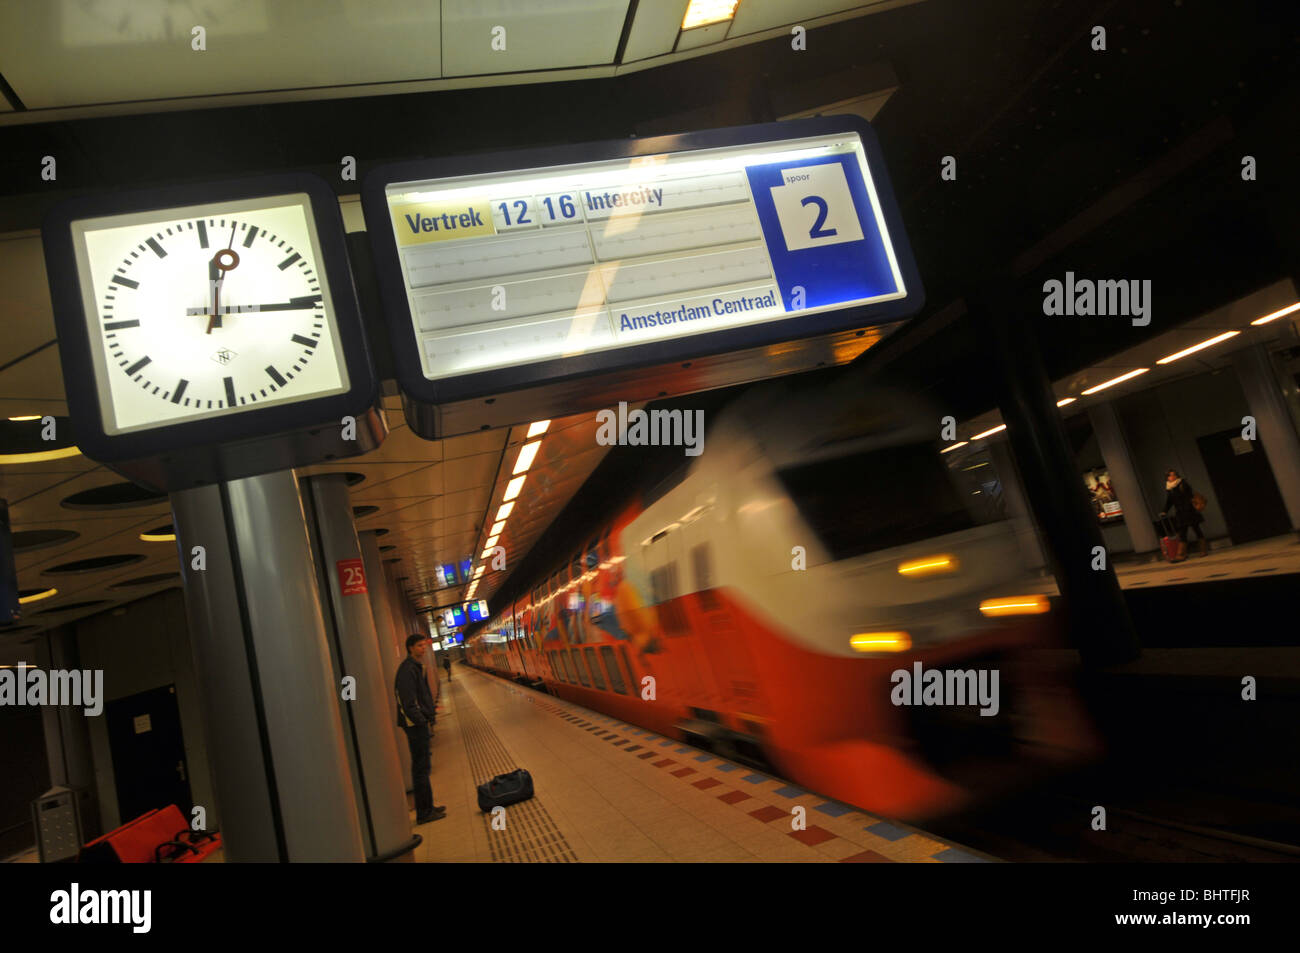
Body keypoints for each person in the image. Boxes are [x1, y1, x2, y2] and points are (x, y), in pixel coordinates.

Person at [396, 634, 445, 824]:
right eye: (419, 646)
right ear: (410, 648)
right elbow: (407, 703)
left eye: (424, 645)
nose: (423, 649)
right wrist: (422, 721)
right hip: (414, 725)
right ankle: (424, 813)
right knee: (420, 769)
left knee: (424, 767)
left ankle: (429, 806)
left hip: (418, 723)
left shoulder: (415, 667)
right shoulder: (407, 670)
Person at [1161, 468, 1207, 560]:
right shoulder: (1170, 488)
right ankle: (1182, 554)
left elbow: (1190, 496)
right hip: (1180, 513)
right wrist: (1165, 510)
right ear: (1167, 478)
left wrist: (1187, 507)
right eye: (1170, 475)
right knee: (1182, 532)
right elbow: (1170, 501)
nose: (1172, 477)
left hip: (1189, 511)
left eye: (1174, 475)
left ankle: (1203, 550)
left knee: (1196, 529)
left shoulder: (1183, 484)